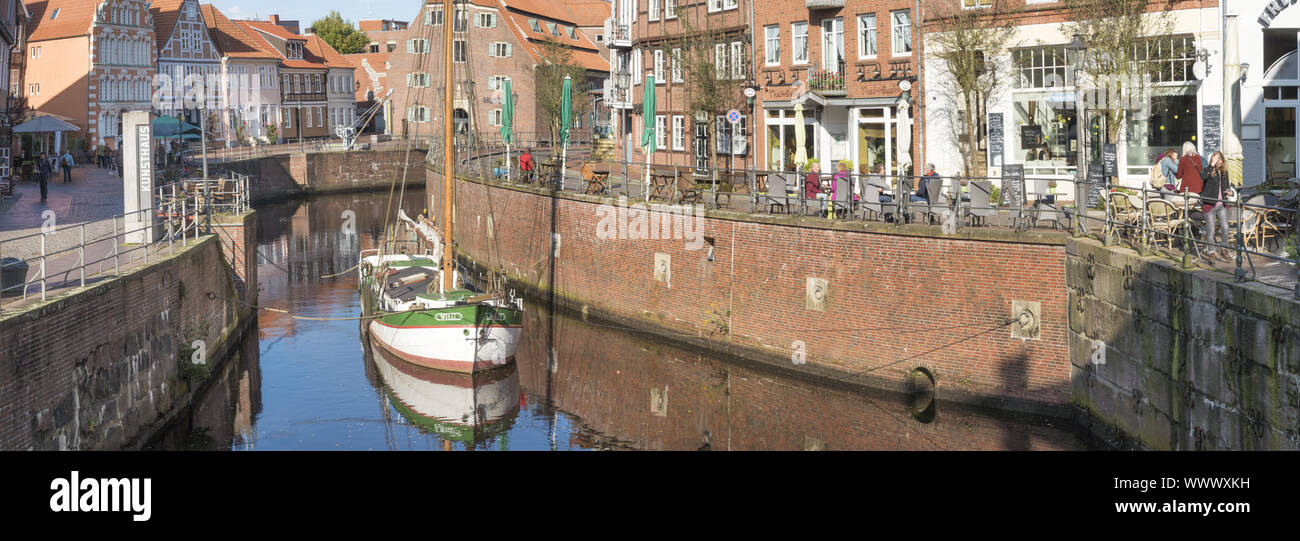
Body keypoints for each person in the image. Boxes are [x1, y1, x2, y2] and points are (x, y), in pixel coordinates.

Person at [1200, 151, 1233, 262]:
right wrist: (1211, 165)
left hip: (1221, 205)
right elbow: (1203, 176)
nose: (1218, 162)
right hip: (1209, 205)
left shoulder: (1224, 172)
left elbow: (1226, 186)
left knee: (1225, 228)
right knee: (1211, 230)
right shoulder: (1209, 171)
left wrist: (1230, 192)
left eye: (1219, 159)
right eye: (1215, 159)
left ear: (1222, 160)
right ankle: (1211, 253)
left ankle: (1224, 249)